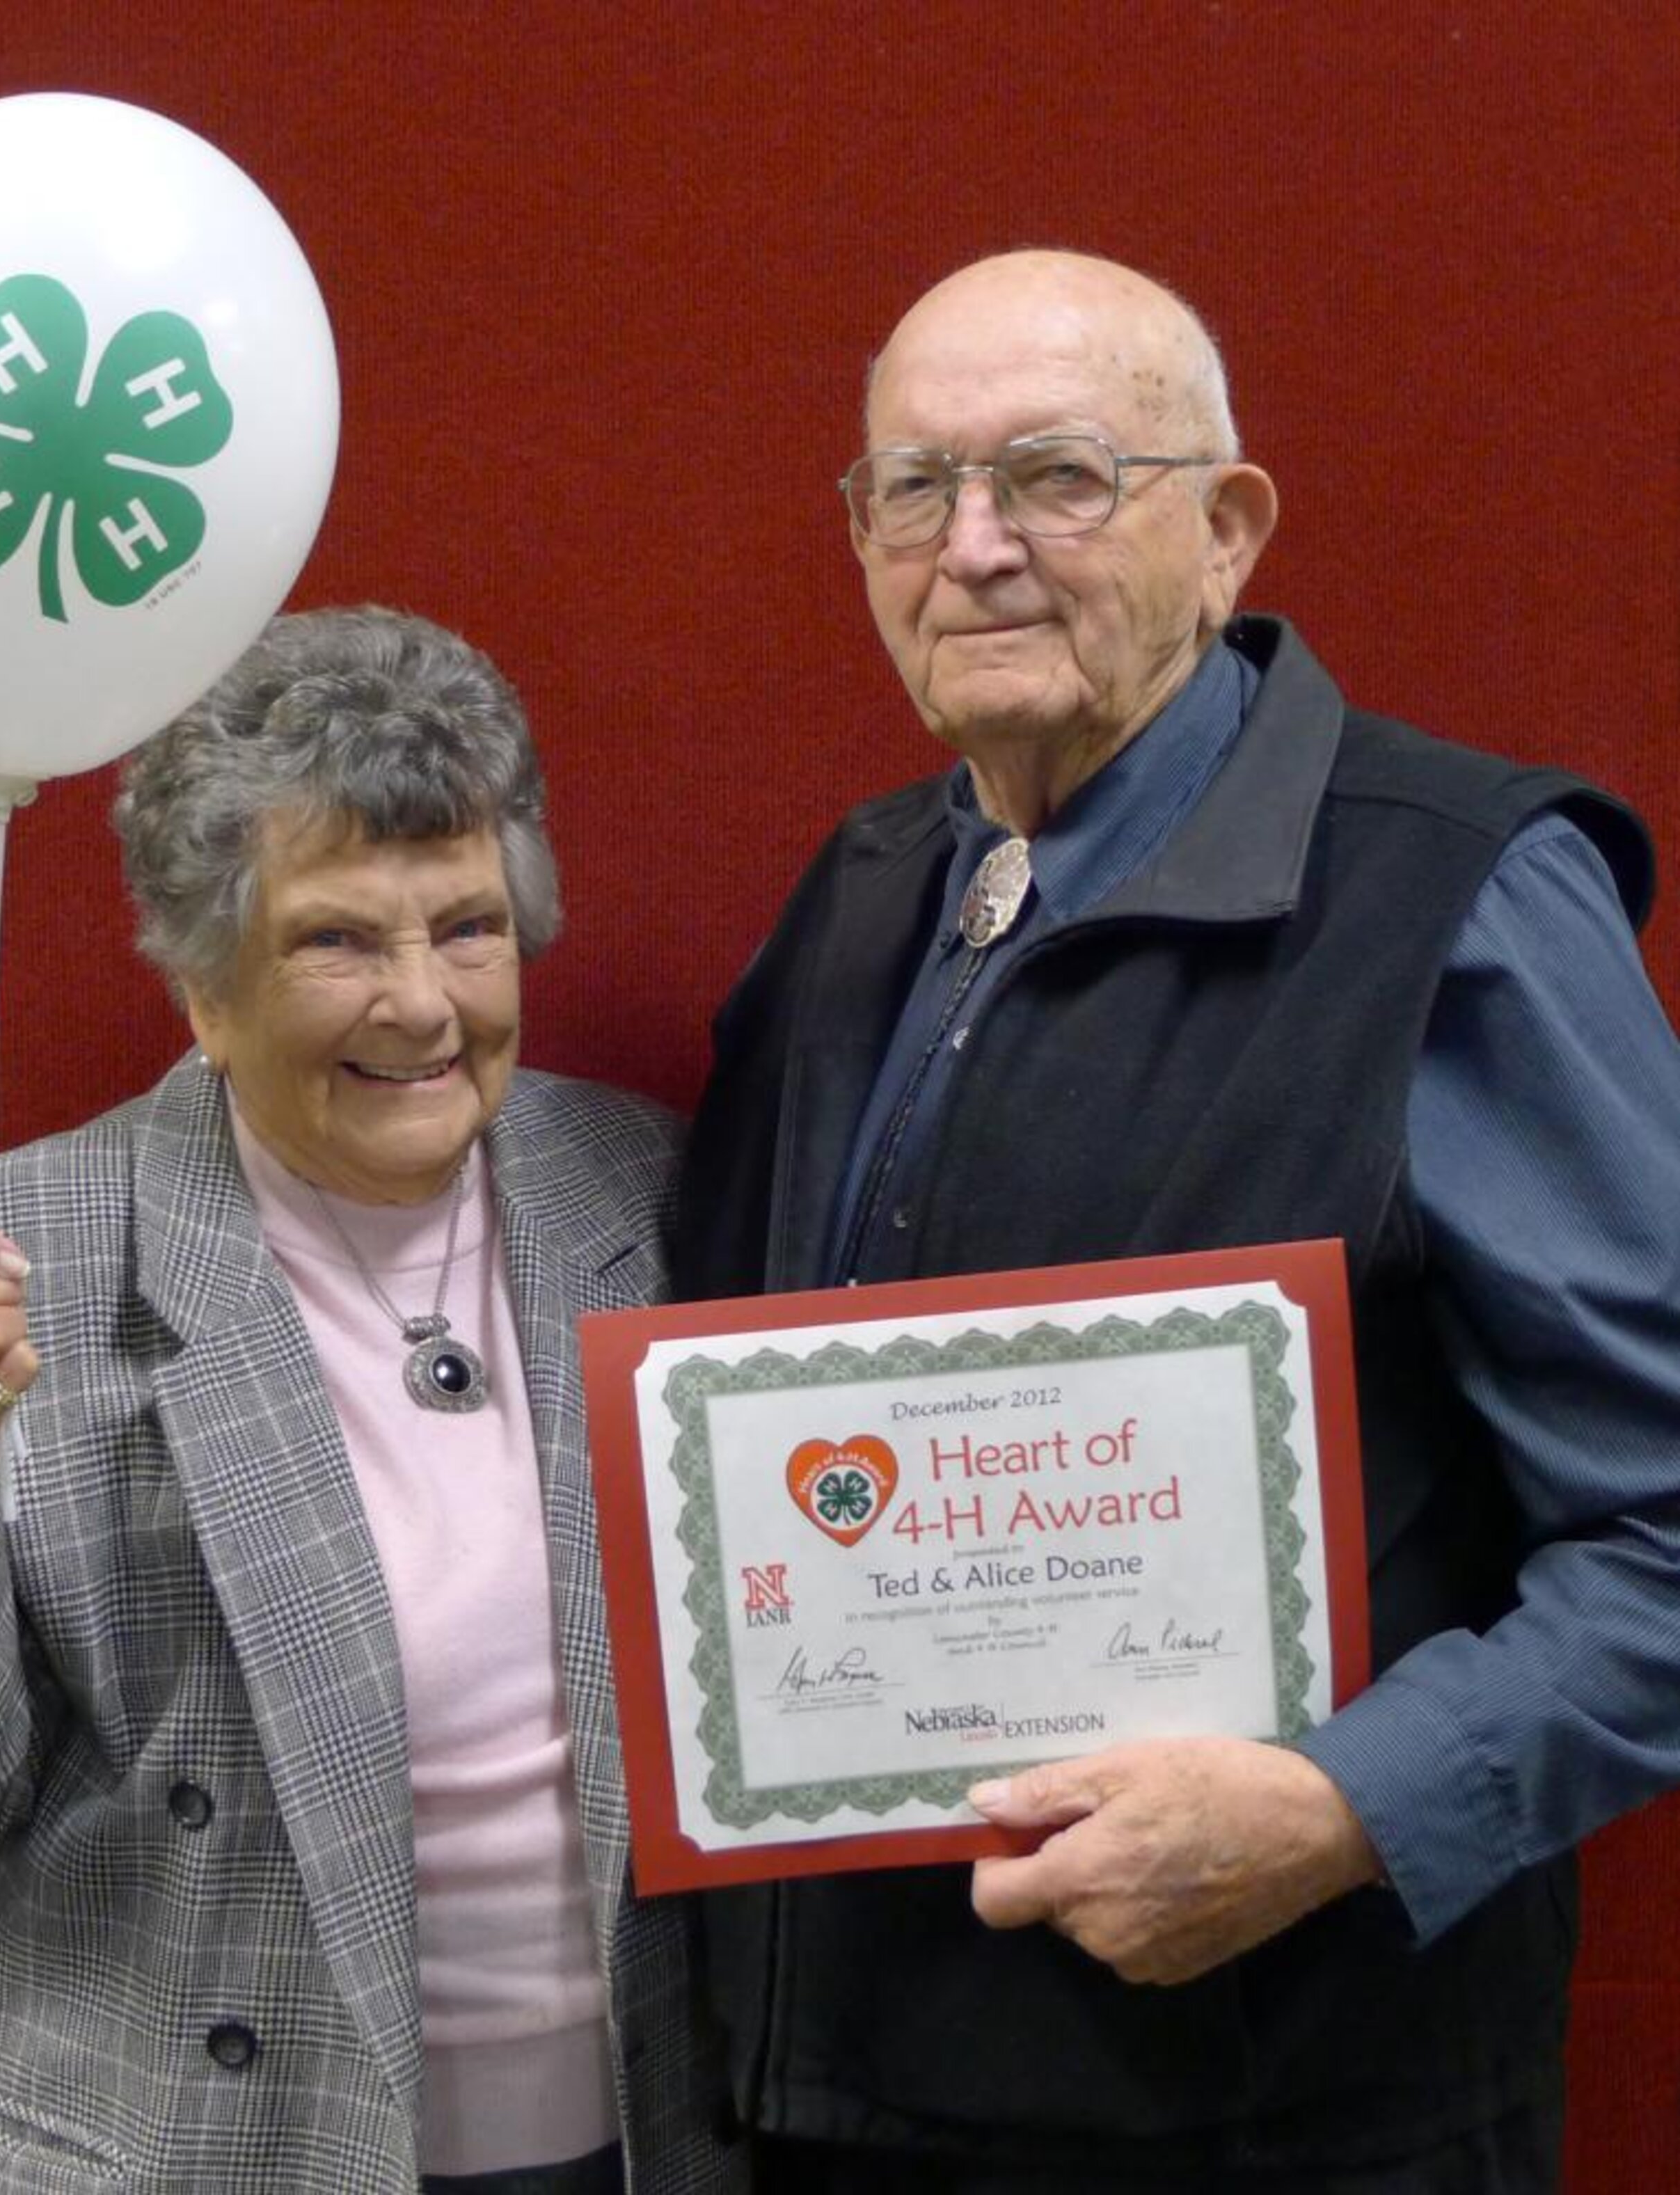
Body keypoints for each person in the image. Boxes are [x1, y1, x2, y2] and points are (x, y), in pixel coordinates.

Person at [674, 249, 1680, 2193]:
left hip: (1293, 2121)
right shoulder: (862, 900)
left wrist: (1339, 1805)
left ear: (1225, 533)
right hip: (844, 2110)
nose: (974, 548)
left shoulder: (1461, 903)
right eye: (913, 487)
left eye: (1057, 477)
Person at [0, 605, 747, 2195]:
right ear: (205, 990)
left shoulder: (650, 1185)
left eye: (469, 925)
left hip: (639, 2138)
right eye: (339, 938)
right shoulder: (4, 1269)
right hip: (197, 2151)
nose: (424, 1003)